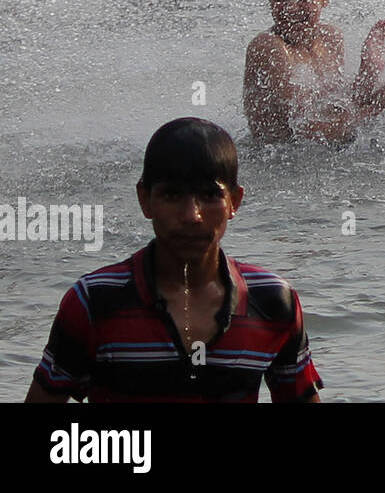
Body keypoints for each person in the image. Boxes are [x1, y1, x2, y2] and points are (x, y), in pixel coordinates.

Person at [26, 118, 323, 402]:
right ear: (145, 200)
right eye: (172, 195)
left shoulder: (273, 302)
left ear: (235, 202)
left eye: (209, 196)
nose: (192, 215)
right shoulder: (95, 302)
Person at [244, 0, 385, 143]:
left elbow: (341, 104)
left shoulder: (330, 38)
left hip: (318, 151)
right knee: (384, 105)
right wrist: (375, 111)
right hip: (280, 159)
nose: (290, 7)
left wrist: (369, 70)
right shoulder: (268, 47)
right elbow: (306, 130)